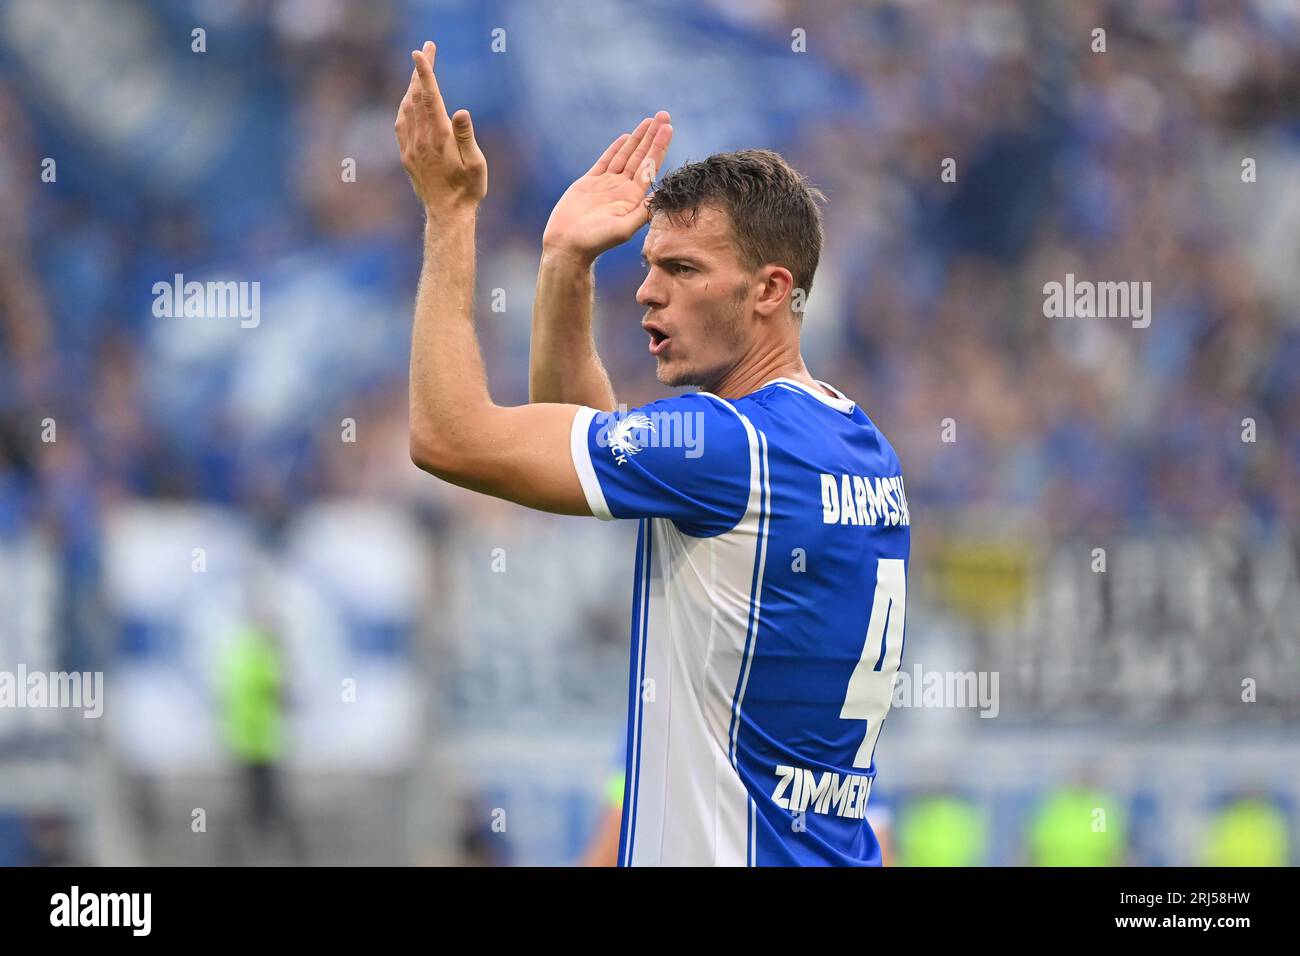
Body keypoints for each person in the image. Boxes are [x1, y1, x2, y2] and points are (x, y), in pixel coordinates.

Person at [396, 40, 910, 865]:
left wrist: (449, 214)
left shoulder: (725, 446)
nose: (647, 290)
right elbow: (589, 445)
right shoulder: (856, 445)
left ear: (772, 290)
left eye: (681, 268)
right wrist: (566, 265)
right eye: (646, 265)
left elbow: (448, 436)